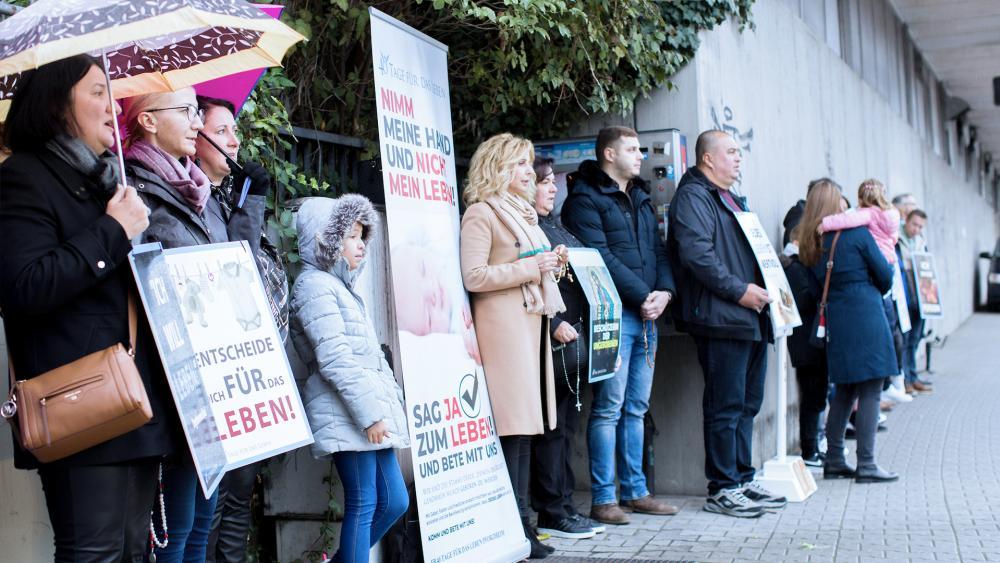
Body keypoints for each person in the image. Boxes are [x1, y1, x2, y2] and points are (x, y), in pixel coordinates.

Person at [0, 54, 177, 561]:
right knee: (92, 553)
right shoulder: (24, 178)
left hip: (135, 400)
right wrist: (112, 230)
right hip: (81, 402)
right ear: (58, 104)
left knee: (131, 553)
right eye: (97, 91)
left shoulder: (107, 182)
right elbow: (23, 287)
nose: (111, 105)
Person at [121, 87, 268, 563]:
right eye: (185, 112)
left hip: (215, 381)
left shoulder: (195, 190)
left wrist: (251, 203)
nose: (195, 123)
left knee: (201, 522)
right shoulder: (137, 191)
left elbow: (236, 268)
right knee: (177, 531)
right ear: (146, 121)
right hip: (174, 381)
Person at [561, 126, 678, 526]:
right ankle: (603, 499)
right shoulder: (584, 199)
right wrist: (644, 295)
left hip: (648, 314)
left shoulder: (642, 197)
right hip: (614, 316)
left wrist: (664, 292)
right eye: (631, 149)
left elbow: (659, 251)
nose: (640, 155)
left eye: (640, 148)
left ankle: (636, 491)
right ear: (609, 154)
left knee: (637, 407)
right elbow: (598, 256)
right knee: (608, 408)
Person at [666, 130, 783, 518]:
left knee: (747, 404)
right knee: (724, 405)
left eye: (739, 152)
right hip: (722, 318)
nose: (738, 158)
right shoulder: (694, 197)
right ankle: (722, 487)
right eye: (731, 152)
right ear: (707, 159)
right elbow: (697, 255)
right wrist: (738, 292)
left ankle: (742, 479)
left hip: (749, 317)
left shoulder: (731, 198)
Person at [460, 133, 565, 558]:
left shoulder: (523, 214)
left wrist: (551, 264)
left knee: (524, 431)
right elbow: (475, 277)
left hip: (527, 326)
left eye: (528, 164)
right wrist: (529, 266)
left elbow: (528, 267)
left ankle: (522, 525)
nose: (528, 172)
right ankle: (514, 525)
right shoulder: (482, 213)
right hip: (503, 330)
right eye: (520, 164)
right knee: (512, 431)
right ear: (498, 168)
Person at [193, 95, 288, 563]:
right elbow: (236, 273)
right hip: (214, 372)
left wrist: (247, 202)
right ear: (197, 136)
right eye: (223, 129)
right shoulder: (193, 200)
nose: (235, 140)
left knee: (237, 496)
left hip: (245, 370)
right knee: (209, 508)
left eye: (235, 130)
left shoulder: (224, 195)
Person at [289, 194, 410, 563]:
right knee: (365, 501)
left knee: (395, 501)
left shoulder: (338, 287)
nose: (361, 244)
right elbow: (335, 359)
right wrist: (370, 414)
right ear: (326, 241)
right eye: (351, 236)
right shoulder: (313, 287)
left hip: (366, 410)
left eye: (362, 235)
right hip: (346, 412)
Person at [796, 181, 899, 483]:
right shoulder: (856, 233)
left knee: (844, 390)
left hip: (836, 320)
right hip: (865, 315)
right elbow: (884, 277)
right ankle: (866, 463)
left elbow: (816, 286)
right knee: (871, 387)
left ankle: (836, 459)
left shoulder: (811, 241)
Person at [528, 157, 602, 540]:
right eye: (543, 181)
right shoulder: (529, 229)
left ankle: (565, 505)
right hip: (549, 344)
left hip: (574, 342)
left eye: (552, 181)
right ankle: (552, 510)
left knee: (566, 427)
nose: (553, 187)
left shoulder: (556, 224)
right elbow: (527, 288)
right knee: (551, 431)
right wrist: (553, 324)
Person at [780, 180, 844, 467]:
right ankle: (809, 450)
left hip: (810, 330)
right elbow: (804, 295)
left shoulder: (807, 243)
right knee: (813, 392)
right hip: (808, 331)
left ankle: (813, 445)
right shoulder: (803, 247)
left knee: (816, 393)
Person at [897, 209, 932, 394]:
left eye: (920, 226)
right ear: (907, 221)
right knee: (905, 339)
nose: (916, 229)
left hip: (921, 297)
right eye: (914, 224)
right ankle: (905, 379)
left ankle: (912, 375)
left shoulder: (921, 242)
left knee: (916, 338)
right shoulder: (897, 239)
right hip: (905, 295)